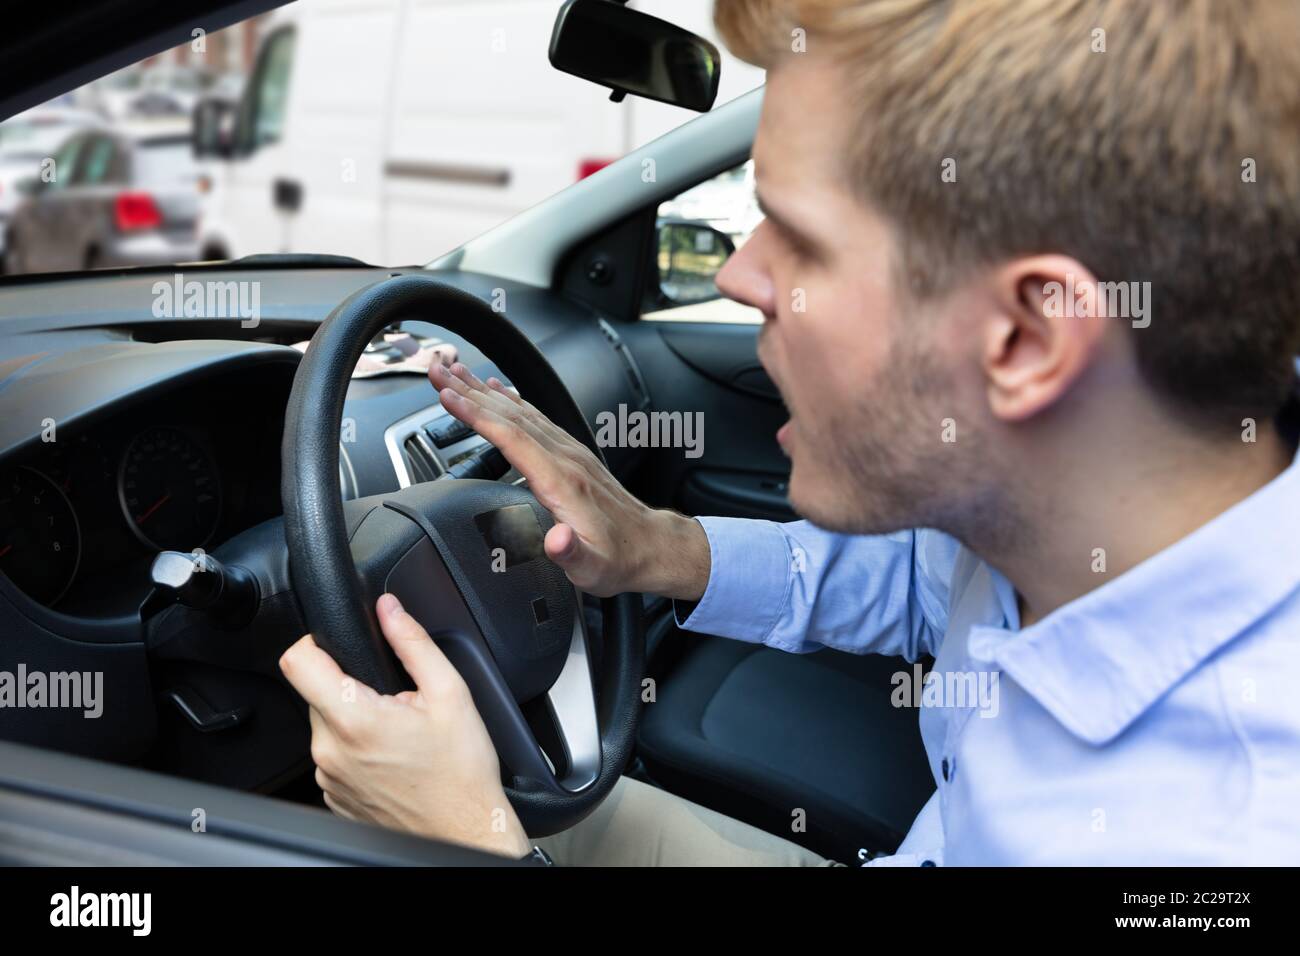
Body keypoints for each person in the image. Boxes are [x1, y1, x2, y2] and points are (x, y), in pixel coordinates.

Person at [278, 0, 1300, 865]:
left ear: (1026, 336)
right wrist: (654, 548)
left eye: (798, 239)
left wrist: (467, 839)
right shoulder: (1072, 532)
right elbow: (921, 581)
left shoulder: (1204, 837)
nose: (734, 276)